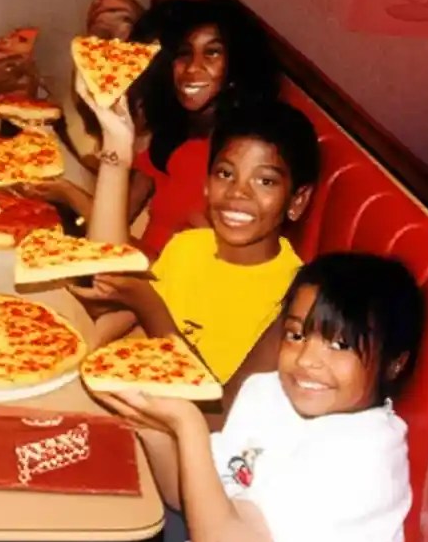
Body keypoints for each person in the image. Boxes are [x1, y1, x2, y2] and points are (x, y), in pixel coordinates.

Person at [6, 251, 425, 542]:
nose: (308, 360)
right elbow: (190, 497)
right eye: (297, 335)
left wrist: (187, 423)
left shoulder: (370, 455)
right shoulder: (268, 394)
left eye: (340, 345)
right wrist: (149, 424)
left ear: (395, 361)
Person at [73, 99, 317, 384]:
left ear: (297, 201)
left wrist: (150, 306)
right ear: (206, 183)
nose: (238, 193)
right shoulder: (188, 246)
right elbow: (114, 311)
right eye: (225, 174)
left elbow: (217, 403)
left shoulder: (294, 296)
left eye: (265, 181)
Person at [124, 0, 280, 255]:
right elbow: (117, 216)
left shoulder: (233, 160)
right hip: (129, 275)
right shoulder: (177, 133)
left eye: (212, 53)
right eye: (184, 53)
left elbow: (184, 275)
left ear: (236, 67)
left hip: (155, 287)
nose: (193, 67)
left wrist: (70, 195)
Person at [60, 0, 147, 173]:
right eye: (101, 36)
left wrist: (66, 192)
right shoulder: (80, 91)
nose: (110, 48)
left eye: (124, 20)